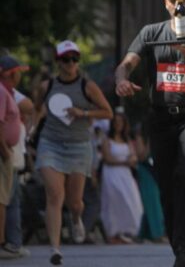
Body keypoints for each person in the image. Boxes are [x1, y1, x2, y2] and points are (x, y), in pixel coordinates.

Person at [115, 0, 185, 267]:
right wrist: (122, 80)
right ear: (166, 3)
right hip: (161, 119)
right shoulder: (151, 33)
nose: (179, 6)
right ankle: (180, 247)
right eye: (174, 1)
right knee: (167, 183)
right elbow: (126, 63)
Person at [37, 40, 113, 265]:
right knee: (54, 196)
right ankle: (55, 248)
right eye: (66, 59)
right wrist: (32, 126)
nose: (70, 63)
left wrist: (84, 113)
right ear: (58, 61)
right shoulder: (47, 86)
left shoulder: (87, 86)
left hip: (79, 146)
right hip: (50, 143)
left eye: (74, 59)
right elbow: (39, 108)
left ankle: (77, 218)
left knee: (75, 201)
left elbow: (107, 112)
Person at [0, 56, 32, 258]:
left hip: (7, 152)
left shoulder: (7, 92)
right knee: (3, 201)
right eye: (18, 71)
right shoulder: (2, 92)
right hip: (3, 153)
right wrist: (5, 152)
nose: (20, 75)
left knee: (6, 200)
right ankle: (4, 244)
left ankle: (7, 242)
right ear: (10, 73)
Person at [100, 112, 143, 244]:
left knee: (133, 203)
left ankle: (126, 231)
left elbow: (134, 155)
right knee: (114, 203)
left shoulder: (127, 140)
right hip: (112, 173)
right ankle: (113, 233)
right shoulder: (107, 139)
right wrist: (124, 162)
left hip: (126, 174)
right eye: (116, 121)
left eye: (121, 121)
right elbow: (107, 158)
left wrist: (132, 159)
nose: (118, 124)